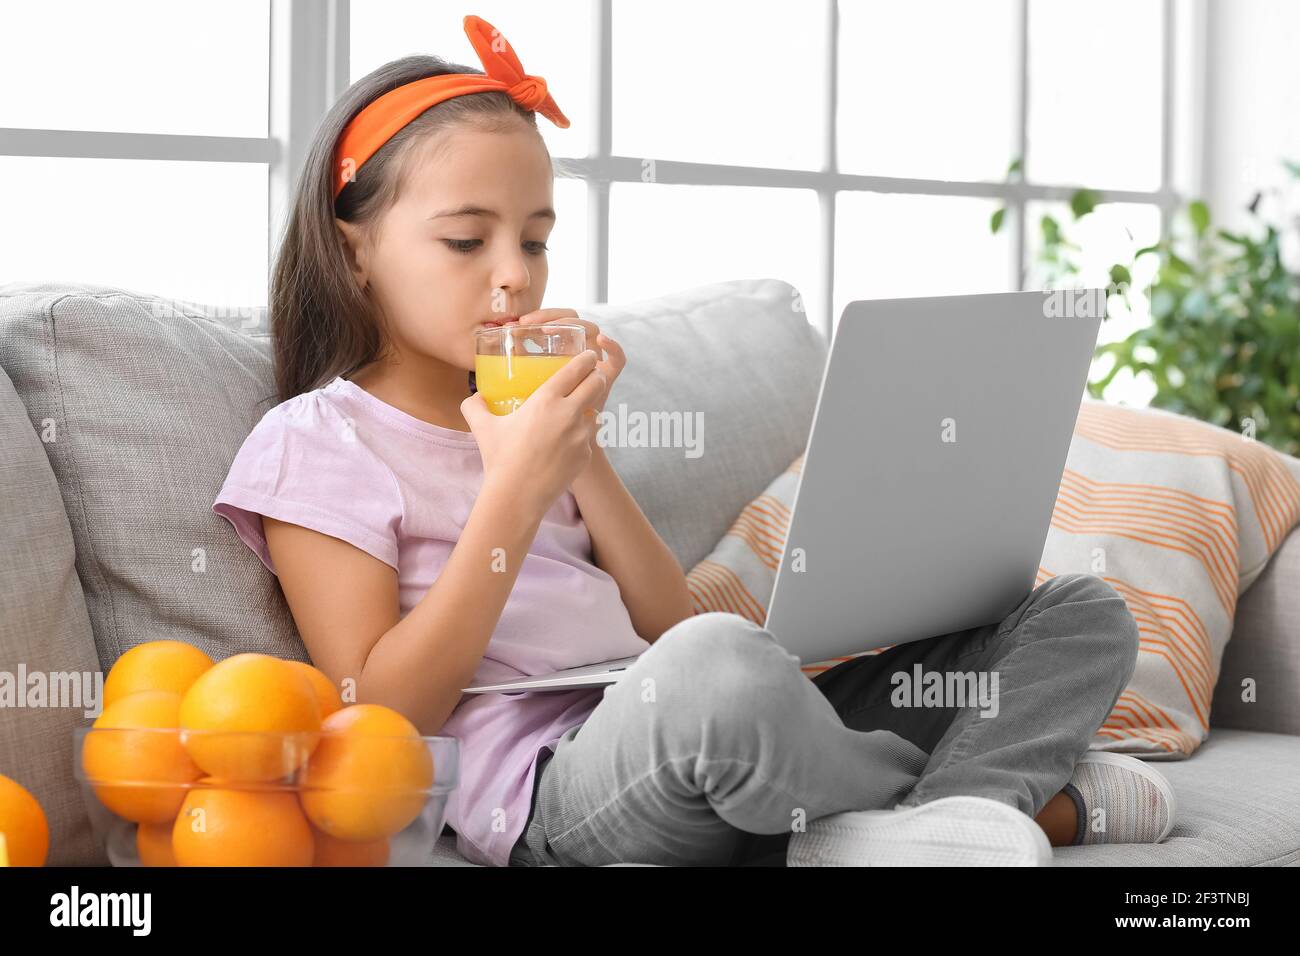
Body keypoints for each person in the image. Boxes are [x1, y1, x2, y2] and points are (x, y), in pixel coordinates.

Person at [213, 16, 1174, 867]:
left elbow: (667, 627)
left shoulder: (534, 416)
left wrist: (579, 453)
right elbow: (380, 717)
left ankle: (935, 820)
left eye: (536, 240)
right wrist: (514, 491)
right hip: (560, 784)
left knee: (1081, 613)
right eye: (468, 241)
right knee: (722, 672)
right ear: (354, 248)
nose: (515, 276)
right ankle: (997, 802)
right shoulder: (318, 441)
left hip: (709, 718)